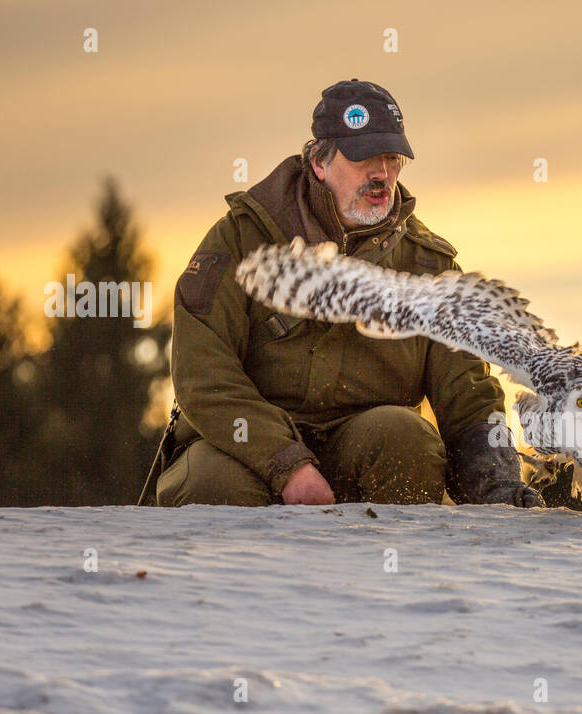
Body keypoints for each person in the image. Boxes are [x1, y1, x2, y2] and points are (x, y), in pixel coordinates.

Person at [141, 79, 540, 509]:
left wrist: (498, 490)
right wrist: (288, 464)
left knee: (406, 440)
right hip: (246, 452)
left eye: (392, 158)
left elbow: (469, 397)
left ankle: (389, 575)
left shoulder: (431, 269)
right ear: (318, 162)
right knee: (212, 483)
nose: (381, 174)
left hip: (362, 453)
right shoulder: (241, 240)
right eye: (363, 157)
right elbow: (204, 376)